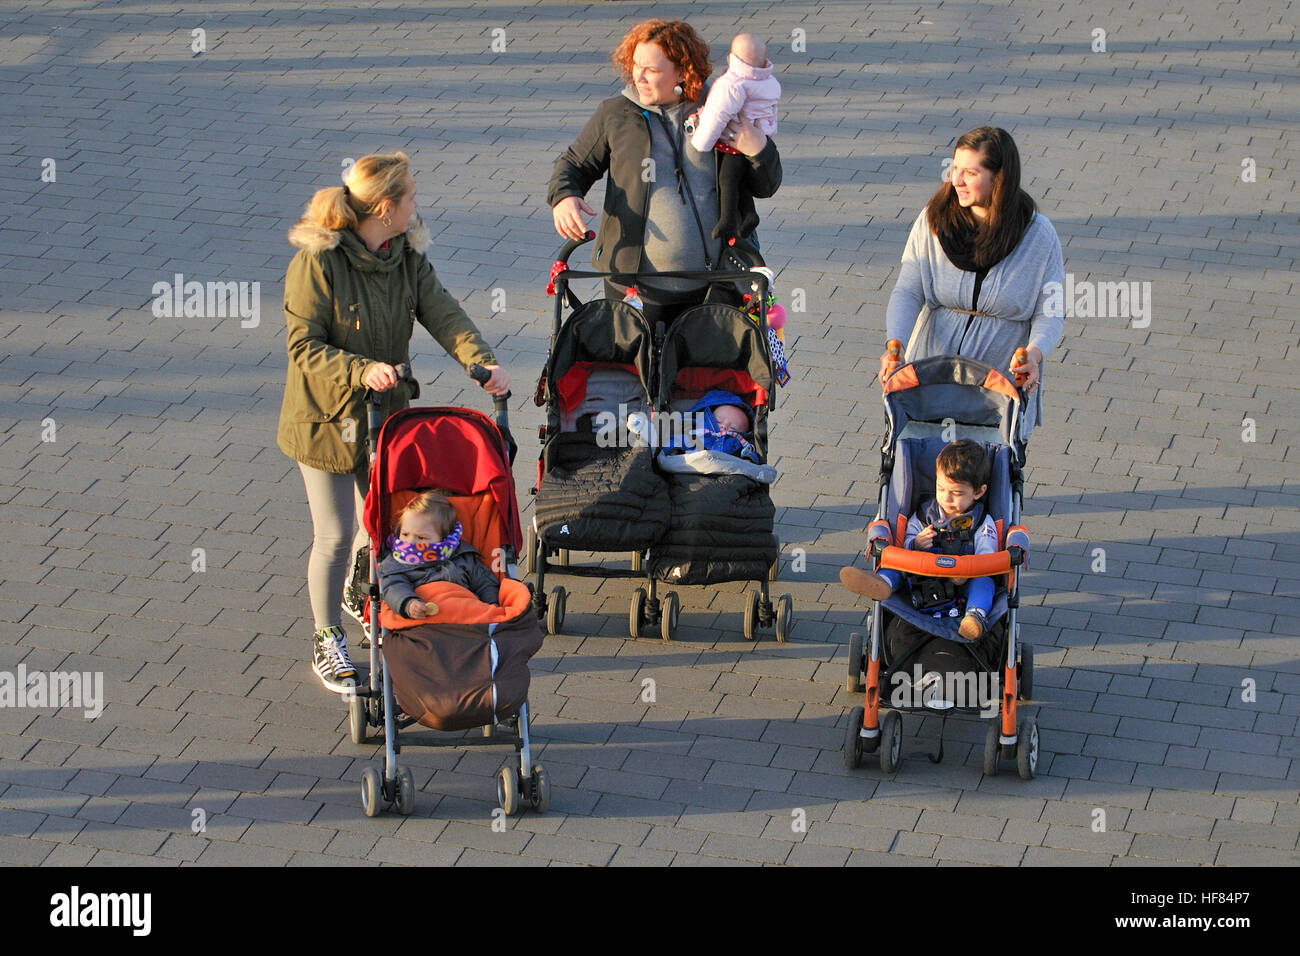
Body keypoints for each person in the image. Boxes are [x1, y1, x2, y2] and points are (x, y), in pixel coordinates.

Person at [277, 150, 510, 693]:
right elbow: (303, 347)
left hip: (385, 417)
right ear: (385, 207)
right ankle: (325, 637)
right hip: (325, 418)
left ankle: (364, 597)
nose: (416, 207)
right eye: (410, 199)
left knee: (377, 526)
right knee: (335, 534)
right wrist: (362, 370)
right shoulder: (317, 262)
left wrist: (479, 360)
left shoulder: (402, 253)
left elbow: (440, 309)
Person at [548, 19, 783, 328]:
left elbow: (766, 185)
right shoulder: (616, 114)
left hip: (718, 286)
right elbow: (574, 164)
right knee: (638, 375)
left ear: (683, 71)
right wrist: (565, 197)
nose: (639, 77)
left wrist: (758, 148)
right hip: (633, 288)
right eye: (636, 66)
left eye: (653, 70)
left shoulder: (722, 108)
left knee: (707, 376)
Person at [880, 127, 1064, 435]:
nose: (957, 181)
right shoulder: (933, 219)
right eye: (954, 169)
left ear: (999, 179)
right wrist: (894, 344)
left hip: (998, 385)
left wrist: (1033, 354)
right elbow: (909, 290)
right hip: (932, 374)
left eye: (971, 172)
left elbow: (1052, 310)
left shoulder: (1038, 235)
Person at [840, 440, 998, 641]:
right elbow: (906, 540)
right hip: (920, 576)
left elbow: (988, 558)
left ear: (979, 492)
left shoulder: (982, 522)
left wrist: (967, 572)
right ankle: (883, 583)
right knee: (895, 561)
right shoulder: (926, 514)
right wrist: (915, 543)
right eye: (941, 489)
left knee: (985, 582)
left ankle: (974, 616)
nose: (946, 499)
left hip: (961, 585)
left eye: (956, 493)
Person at [686, 32, 781, 241]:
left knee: (727, 178)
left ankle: (728, 219)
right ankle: (748, 214)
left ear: (732, 59)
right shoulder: (770, 82)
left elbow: (716, 116)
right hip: (758, 135)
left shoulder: (731, 85)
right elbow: (771, 110)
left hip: (733, 141)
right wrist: (764, 136)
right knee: (740, 180)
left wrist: (701, 144)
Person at [377, 492, 500, 618]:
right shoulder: (396, 563)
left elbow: (485, 583)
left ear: (443, 538)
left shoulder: (463, 558)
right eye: (405, 534)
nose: (410, 542)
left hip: (466, 617)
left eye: (421, 537)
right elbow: (393, 587)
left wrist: (492, 604)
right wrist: (408, 603)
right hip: (425, 621)